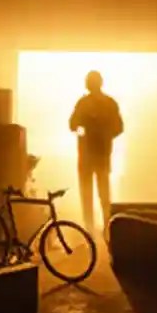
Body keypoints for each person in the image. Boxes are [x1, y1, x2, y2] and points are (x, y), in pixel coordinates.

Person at [68, 71, 123, 233]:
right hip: (102, 153)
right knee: (104, 193)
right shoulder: (109, 103)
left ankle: (89, 228)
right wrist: (106, 135)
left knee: (87, 193)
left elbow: (72, 125)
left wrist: (86, 127)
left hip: (86, 154)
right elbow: (119, 127)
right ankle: (107, 226)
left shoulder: (83, 103)